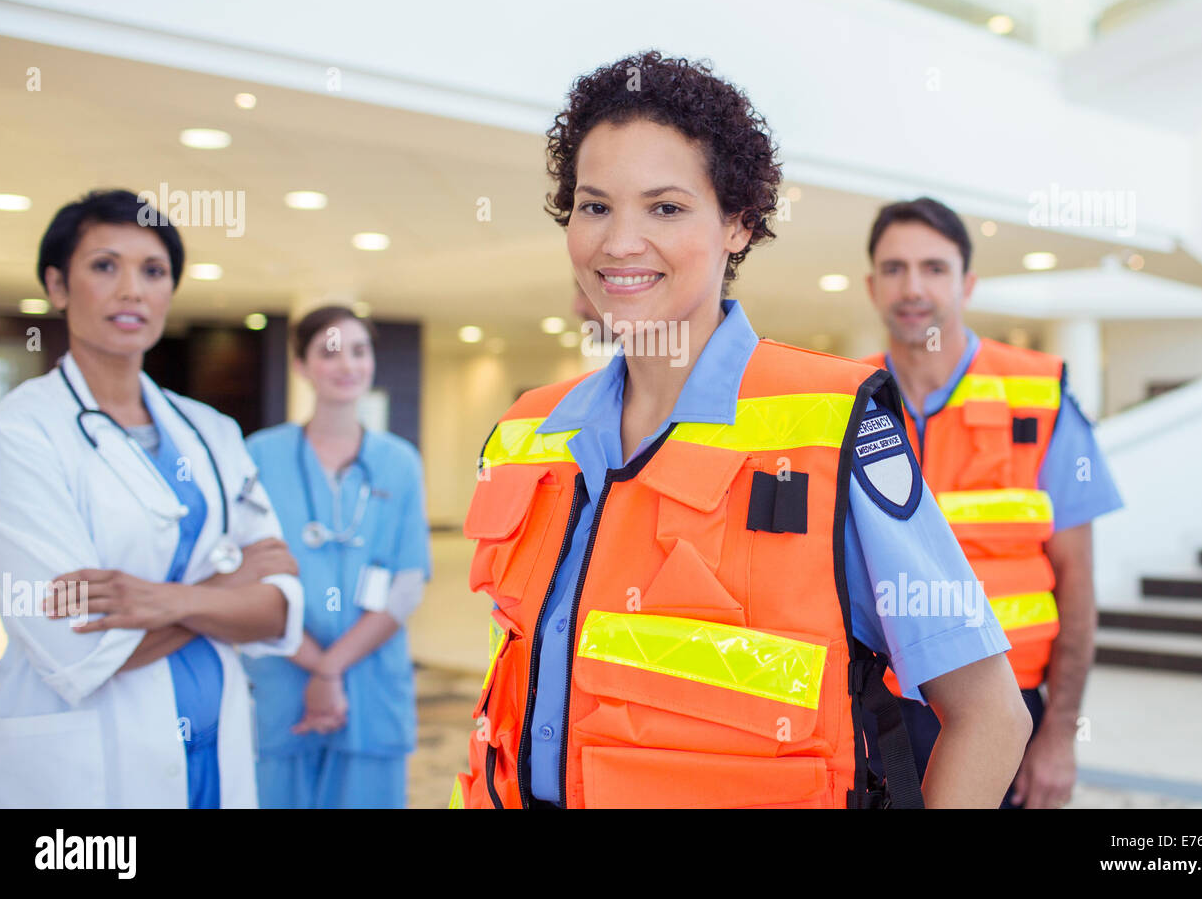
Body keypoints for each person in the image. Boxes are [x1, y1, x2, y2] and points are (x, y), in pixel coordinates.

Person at [450, 52, 1031, 810]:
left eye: (665, 208)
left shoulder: (833, 426)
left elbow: (990, 715)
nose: (619, 242)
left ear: (737, 224)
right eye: (594, 206)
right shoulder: (531, 434)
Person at [0, 189, 304, 808]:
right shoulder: (19, 434)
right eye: (105, 265)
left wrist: (156, 601)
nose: (132, 289)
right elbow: (77, 642)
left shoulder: (210, 431)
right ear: (57, 285)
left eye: (153, 271)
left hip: (215, 747)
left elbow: (279, 605)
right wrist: (224, 588)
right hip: (89, 762)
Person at [860, 197, 1124, 809]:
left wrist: (1058, 736)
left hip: (1007, 711)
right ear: (872, 286)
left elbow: (1076, 586)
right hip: (873, 710)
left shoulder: (1040, 397)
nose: (913, 287)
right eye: (894, 269)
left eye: (934, 267)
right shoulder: (842, 400)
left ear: (967, 283)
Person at [241, 306, 432, 808]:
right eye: (328, 351)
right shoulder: (259, 456)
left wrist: (331, 669)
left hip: (371, 679)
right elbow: (245, 578)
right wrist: (314, 665)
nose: (347, 364)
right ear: (301, 365)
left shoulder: (399, 463)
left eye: (359, 350)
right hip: (284, 672)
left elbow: (407, 584)